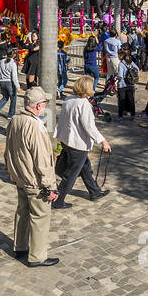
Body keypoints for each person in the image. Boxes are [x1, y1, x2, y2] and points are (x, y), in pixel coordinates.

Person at [3, 98, 58, 267]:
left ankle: (20, 248)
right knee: (40, 217)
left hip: (20, 177)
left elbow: (8, 149)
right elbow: (42, 160)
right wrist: (50, 186)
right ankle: (37, 257)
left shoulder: (14, 119)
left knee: (23, 212)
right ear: (38, 106)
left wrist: (10, 171)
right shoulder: (35, 126)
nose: (44, 109)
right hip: (34, 181)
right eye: (44, 106)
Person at [55, 73, 110, 205]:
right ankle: (58, 201)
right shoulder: (84, 105)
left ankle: (95, 192)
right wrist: (103, 141)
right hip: (77, 144)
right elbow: (89, 127)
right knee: (71, 174)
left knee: (85, 167)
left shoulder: (68, 99)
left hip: (67, 140)